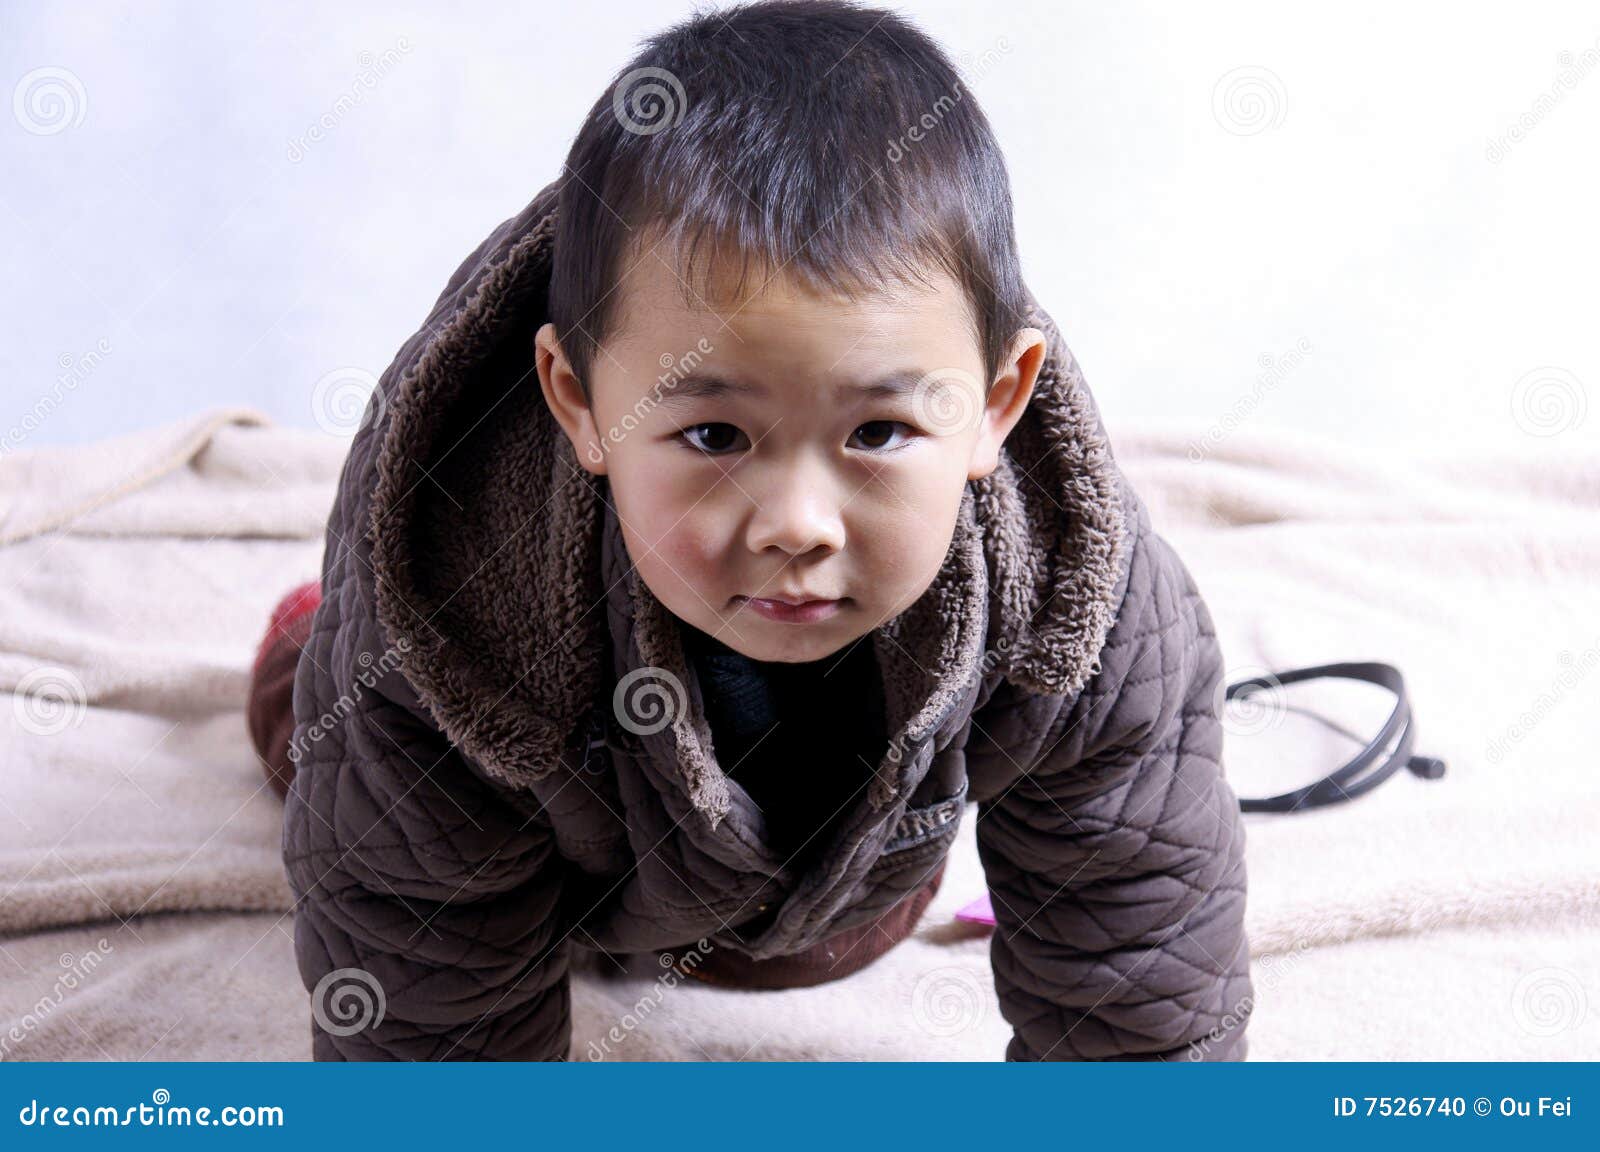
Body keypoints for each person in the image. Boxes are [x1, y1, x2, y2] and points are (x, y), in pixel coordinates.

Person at [254, 0, 1254, 1061]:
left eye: (877, 431)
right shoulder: (448, 614)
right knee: (338, 758)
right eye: (714, 435)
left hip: (833, 861)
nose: (795, 526)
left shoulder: (1079, 597)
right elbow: (423, 1009)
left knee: (827, 942)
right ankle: (296, 647)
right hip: (560, 829)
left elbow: (1135, 925)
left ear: (996, 405)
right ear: (581, 403)